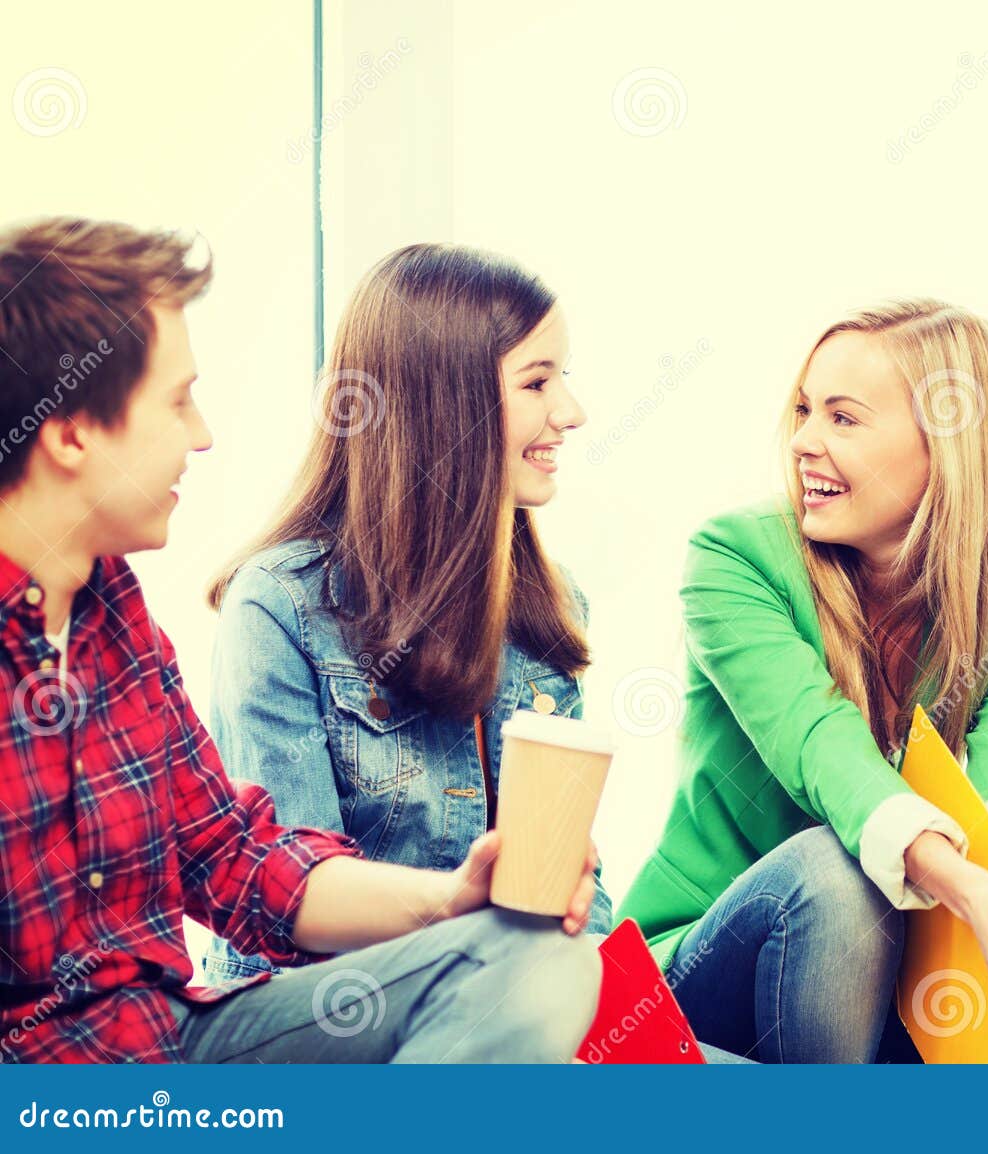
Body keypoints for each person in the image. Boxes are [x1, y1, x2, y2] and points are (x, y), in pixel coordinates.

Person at [0, 217, 598, 1063]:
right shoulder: (280, 603)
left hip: (174, 1045)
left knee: (533, 955)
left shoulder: (114, 617)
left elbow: (237, 859)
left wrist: (451, 900)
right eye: (176, 401)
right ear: (70, 432)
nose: (202, 434)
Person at [620, 299, 988, 1063]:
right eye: (805, 410)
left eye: (842, 419)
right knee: (835, 872)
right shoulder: (735, 557)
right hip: (703, 960)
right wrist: (969, 889)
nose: (803, 441)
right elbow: (822, 747)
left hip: (894, 973)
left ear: (947, 446)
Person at [200, 243, 608, 986]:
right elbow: (287, 919)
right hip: (352, 1024)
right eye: (538, 382)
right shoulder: (279, 608)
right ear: (445, 404)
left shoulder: (552, 605)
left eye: (564, 378)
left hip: (521, 1001)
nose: (571, 413)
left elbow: (576, 893)